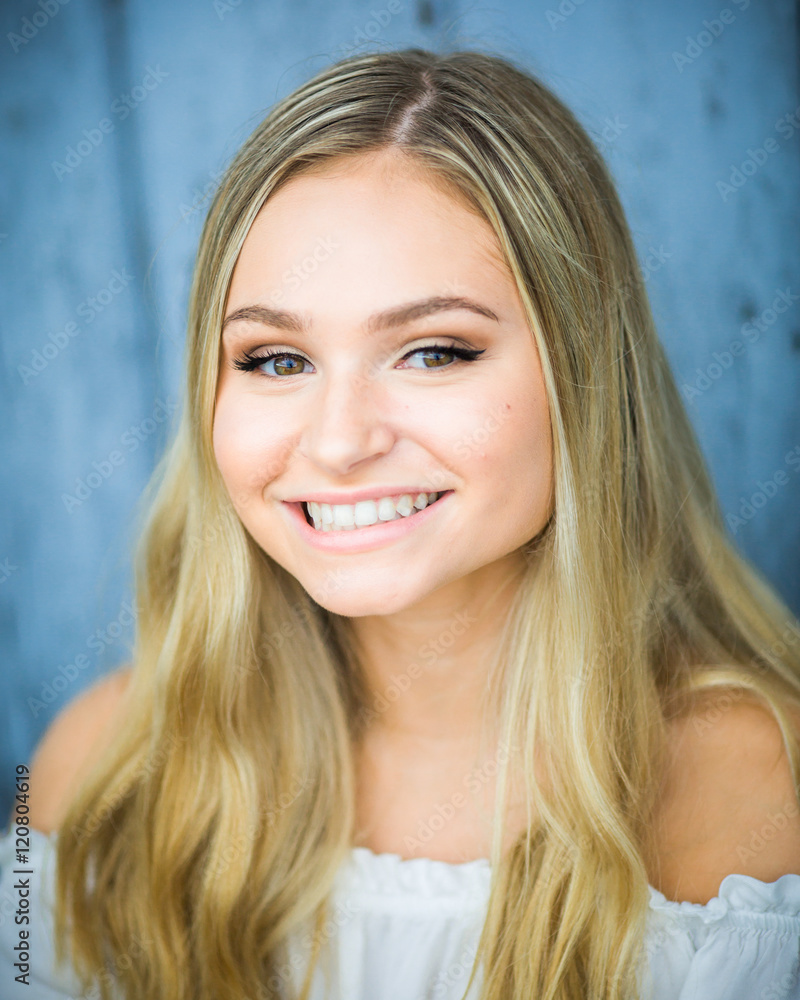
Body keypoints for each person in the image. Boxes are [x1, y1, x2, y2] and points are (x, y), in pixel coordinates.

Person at [1, 47, 799, 1000]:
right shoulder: (96, 769)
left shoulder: (769, 802)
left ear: (584, 374)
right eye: (276, 360)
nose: (338, 443)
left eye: (433, 351)